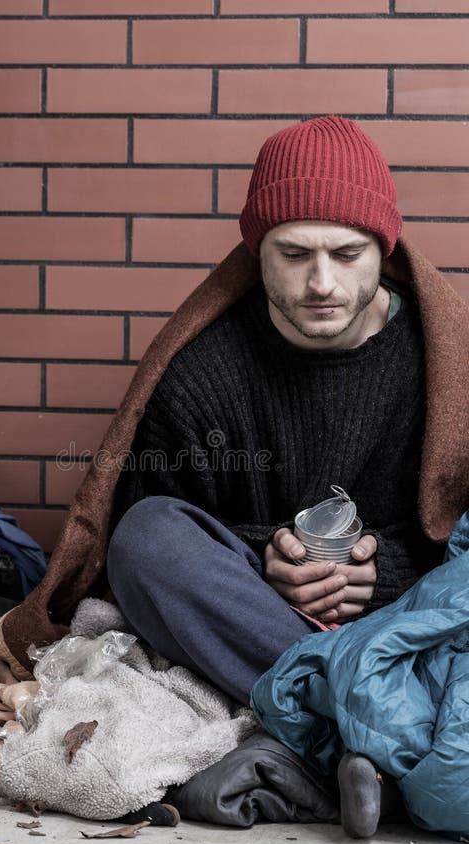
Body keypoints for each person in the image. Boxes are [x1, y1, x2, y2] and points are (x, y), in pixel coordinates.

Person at [105, 116, 447, 707]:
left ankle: (323, 716)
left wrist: (379, 572)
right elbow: (159, 543)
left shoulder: (442, 363)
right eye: (293, 254)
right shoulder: (203, 372)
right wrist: (269, 558)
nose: (322, 282)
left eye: (346, 253)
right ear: (256, 254)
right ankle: (354, 712)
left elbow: (456, 534)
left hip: (403, 613)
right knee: (145, 536)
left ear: (383, 251)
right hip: (259, 617)